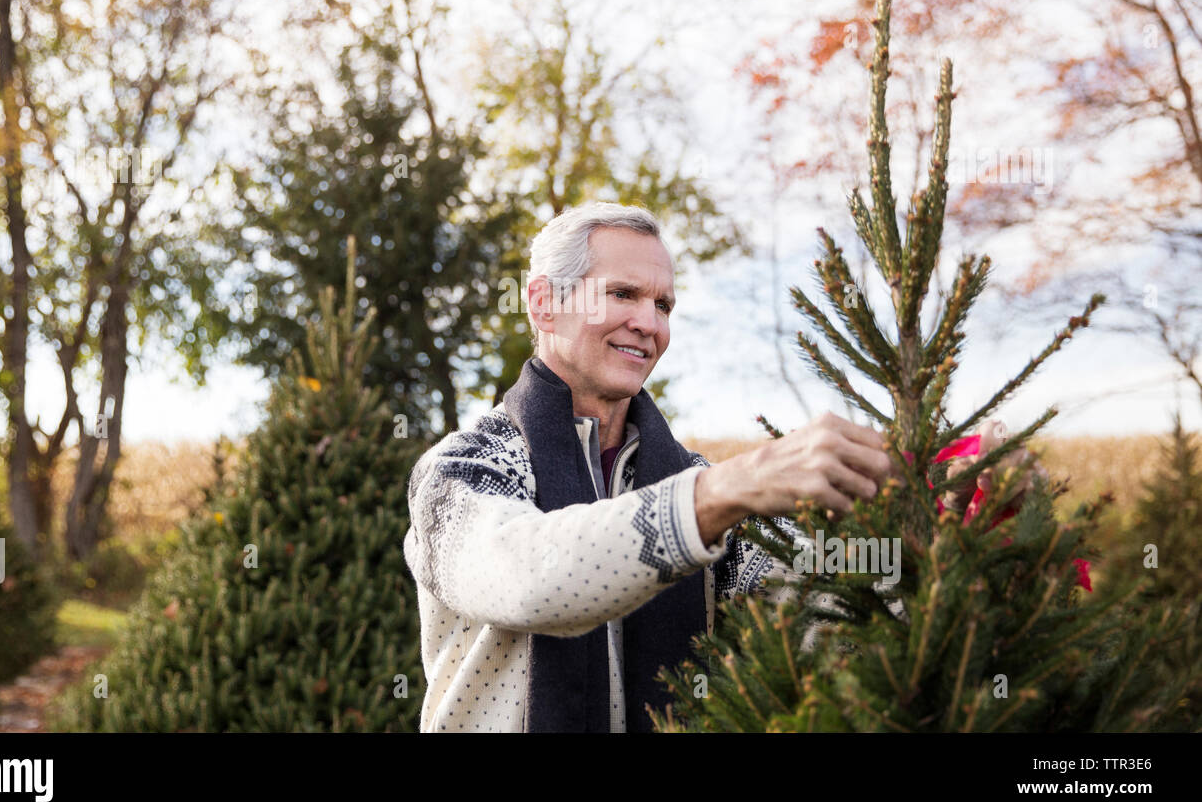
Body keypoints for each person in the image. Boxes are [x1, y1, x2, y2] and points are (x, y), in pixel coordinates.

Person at [402, 201, 1039, 732]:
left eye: (664, 305)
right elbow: (526, 577)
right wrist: (725, 491)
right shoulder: (464, 467)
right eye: (623, 294)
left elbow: (823, 603)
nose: (648, 324)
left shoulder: (700, 488)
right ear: (543, 303)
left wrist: (957, 532)